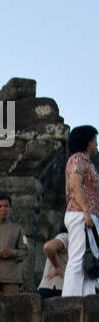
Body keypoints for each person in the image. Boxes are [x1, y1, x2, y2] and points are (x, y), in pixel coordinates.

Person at [61, 124, 99, 297]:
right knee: (78, 257)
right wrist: (85, 211)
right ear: (87, 140)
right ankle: (71, 299)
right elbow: (75, 185)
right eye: (94, 139)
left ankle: (88, 296)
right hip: (80, 213)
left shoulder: (86, 160)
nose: (96, 143)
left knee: (91, 257)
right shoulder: (78, 159)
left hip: (87, 213)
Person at [38, 231, 68, 299]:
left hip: (53, 287)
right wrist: (56, 267)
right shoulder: (66, 236)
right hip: (54, 288)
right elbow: (48, 247)